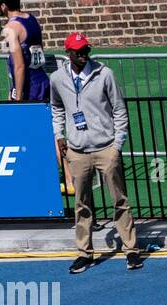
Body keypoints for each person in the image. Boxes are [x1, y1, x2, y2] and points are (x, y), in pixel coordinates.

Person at [50, 32, 141, 274]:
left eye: (86, 50)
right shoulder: (57, 79)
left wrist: (117, 145)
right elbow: (57, 108)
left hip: (106, 147)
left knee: (120, 200)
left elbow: (119, 109)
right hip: (77, 150)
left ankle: (131, 249)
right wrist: (59, 135)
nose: (83, 55)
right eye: (78, 51)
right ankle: (84, 253)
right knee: (82, 204)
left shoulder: (104, 74)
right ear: (68, 53)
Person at [0, 0, 49, 103]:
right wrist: (14, 89)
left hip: (29, 88)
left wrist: (18, 99)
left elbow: (19, 66)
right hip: (42, 81)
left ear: (3, 6)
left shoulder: (11, 28)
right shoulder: (31, 18)